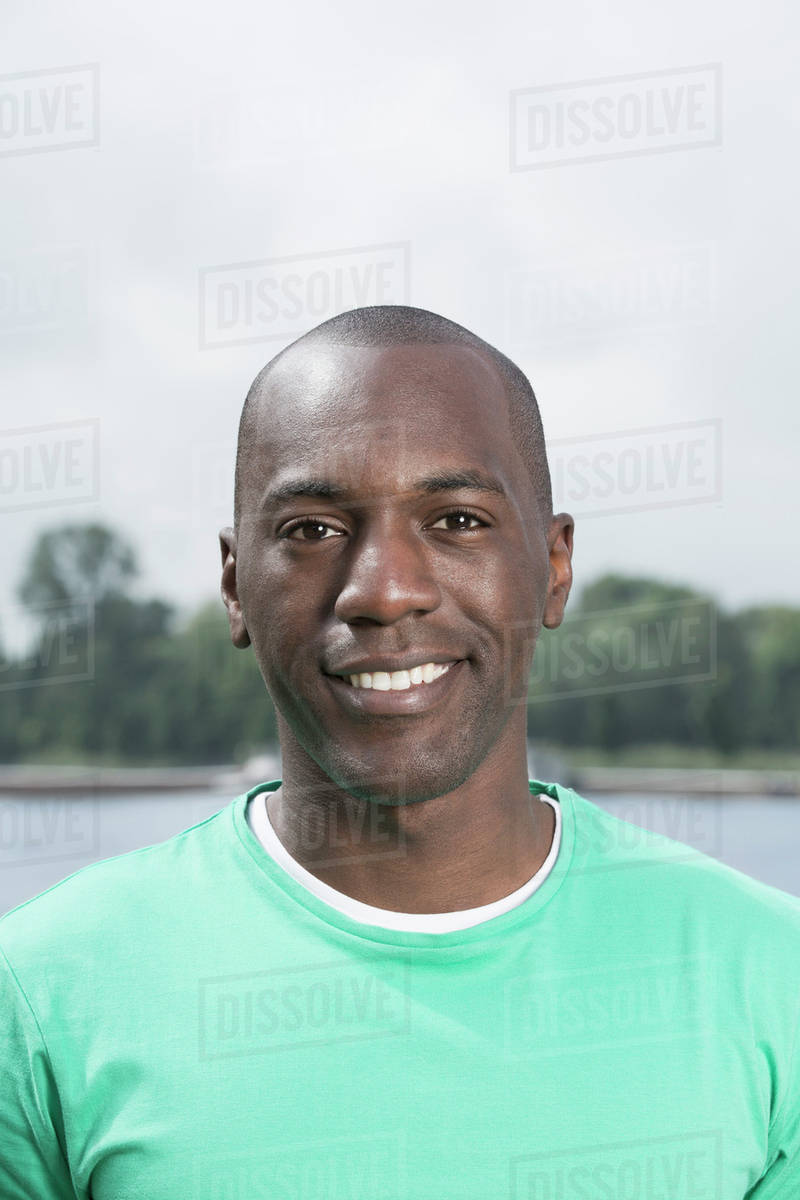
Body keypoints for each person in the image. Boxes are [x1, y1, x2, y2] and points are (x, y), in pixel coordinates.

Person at [0, 305, 798, 1198]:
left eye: (456, 520)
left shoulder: (775, 980)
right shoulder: (40, 994)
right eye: (312, 530)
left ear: (554, 565)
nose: (383, 593)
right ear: (234, 585)